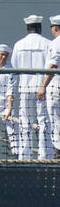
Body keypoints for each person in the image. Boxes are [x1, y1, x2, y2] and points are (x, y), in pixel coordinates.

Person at [12, 15, 52, 161]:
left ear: (27, 27)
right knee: (44, 121)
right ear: (39, 27)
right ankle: (45, 154)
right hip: (42, 87)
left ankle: (24, 154)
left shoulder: (19, 45)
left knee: (24, 122)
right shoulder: (48, 44)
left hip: (24, 87)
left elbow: (15, 66)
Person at [37, 15, 60, 160]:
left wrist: (43, 86)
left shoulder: (56, 43)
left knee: (56, 118)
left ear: (55, 28)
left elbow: (53, 64)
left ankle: (59, 150)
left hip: (57, 85)